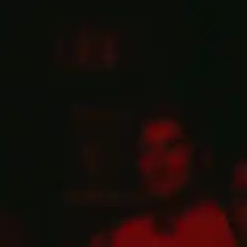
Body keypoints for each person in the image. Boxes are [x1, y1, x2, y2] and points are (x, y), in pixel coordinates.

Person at [91, 106, 235, 247]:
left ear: (198, 156)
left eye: (171, 147)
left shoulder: (231, 230)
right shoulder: (126, 236)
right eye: (147, 150)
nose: (158, 163)